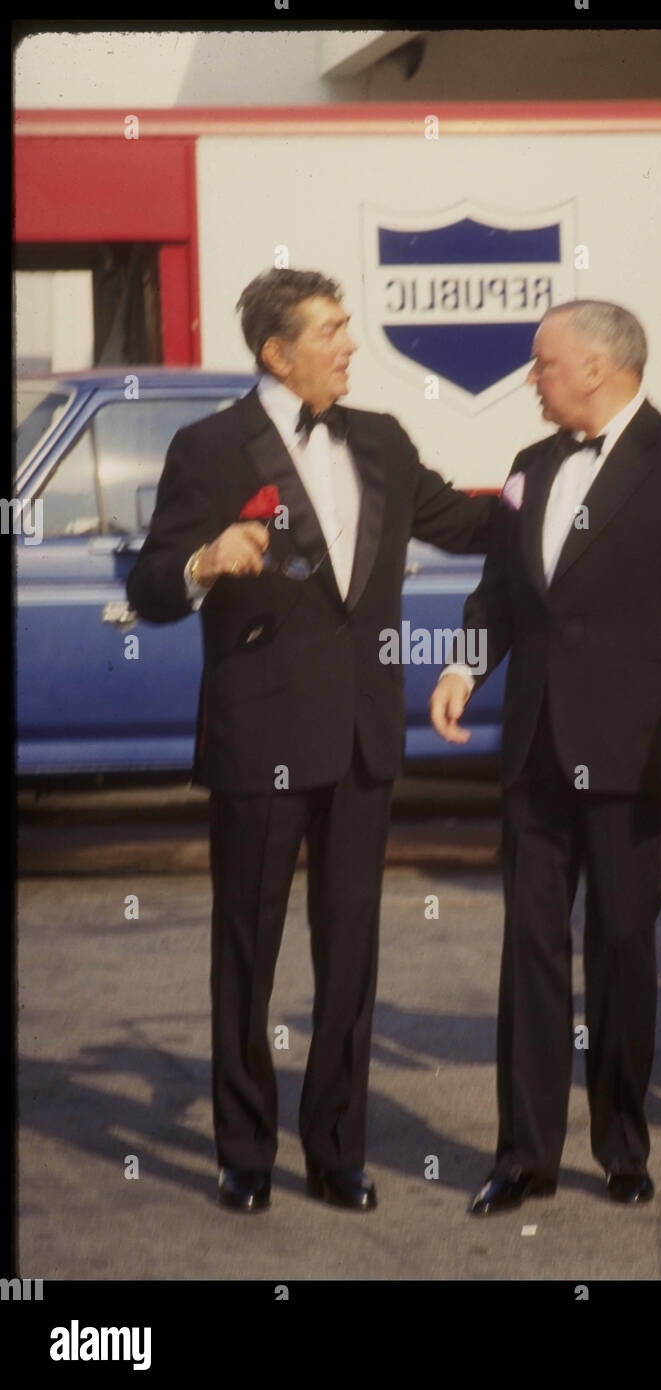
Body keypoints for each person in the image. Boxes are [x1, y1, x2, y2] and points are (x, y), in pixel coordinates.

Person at [127, 268, 493, 1214]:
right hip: (261, 739)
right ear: (276, 352)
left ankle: (337, 1150)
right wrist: (206, 561)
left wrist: (571, 483)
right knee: (246, 953)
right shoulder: (209, 448)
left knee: (352, 954)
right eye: (332, 330)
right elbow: (151, 585)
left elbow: (463, 521)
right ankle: (244, 1151)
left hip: (363, 743)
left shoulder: (379, 437)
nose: (349, 344)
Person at [431, 300, 661, 1211]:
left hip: (630, 752)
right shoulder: (532, 466)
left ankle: (621, 1146)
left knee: (620, 946)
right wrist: (465, 664)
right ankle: (522, 1156)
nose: (530, 378)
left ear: (599, 368)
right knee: (528, 953)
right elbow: (500, 594)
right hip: (534, 749)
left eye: (542, 362)